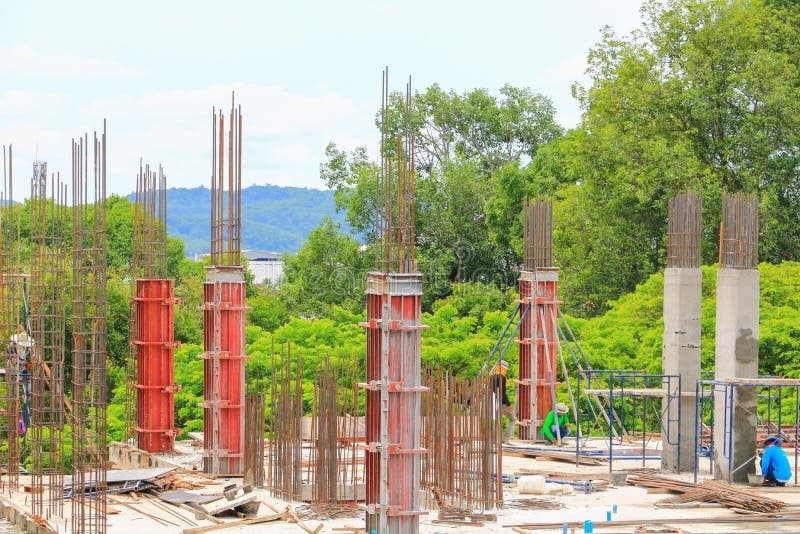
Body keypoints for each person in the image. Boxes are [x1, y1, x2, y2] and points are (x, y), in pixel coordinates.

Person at [490, 360, 517, 442]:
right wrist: (508, 405)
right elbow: (502, 393)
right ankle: (505, 439)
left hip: (493, 402)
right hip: (501, 403)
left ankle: (493, 440)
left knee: (496, 421)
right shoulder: (502, 378)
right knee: (513, 419)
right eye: (504, 369)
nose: (505, 371)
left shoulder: (491, 377)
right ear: (499, 367)